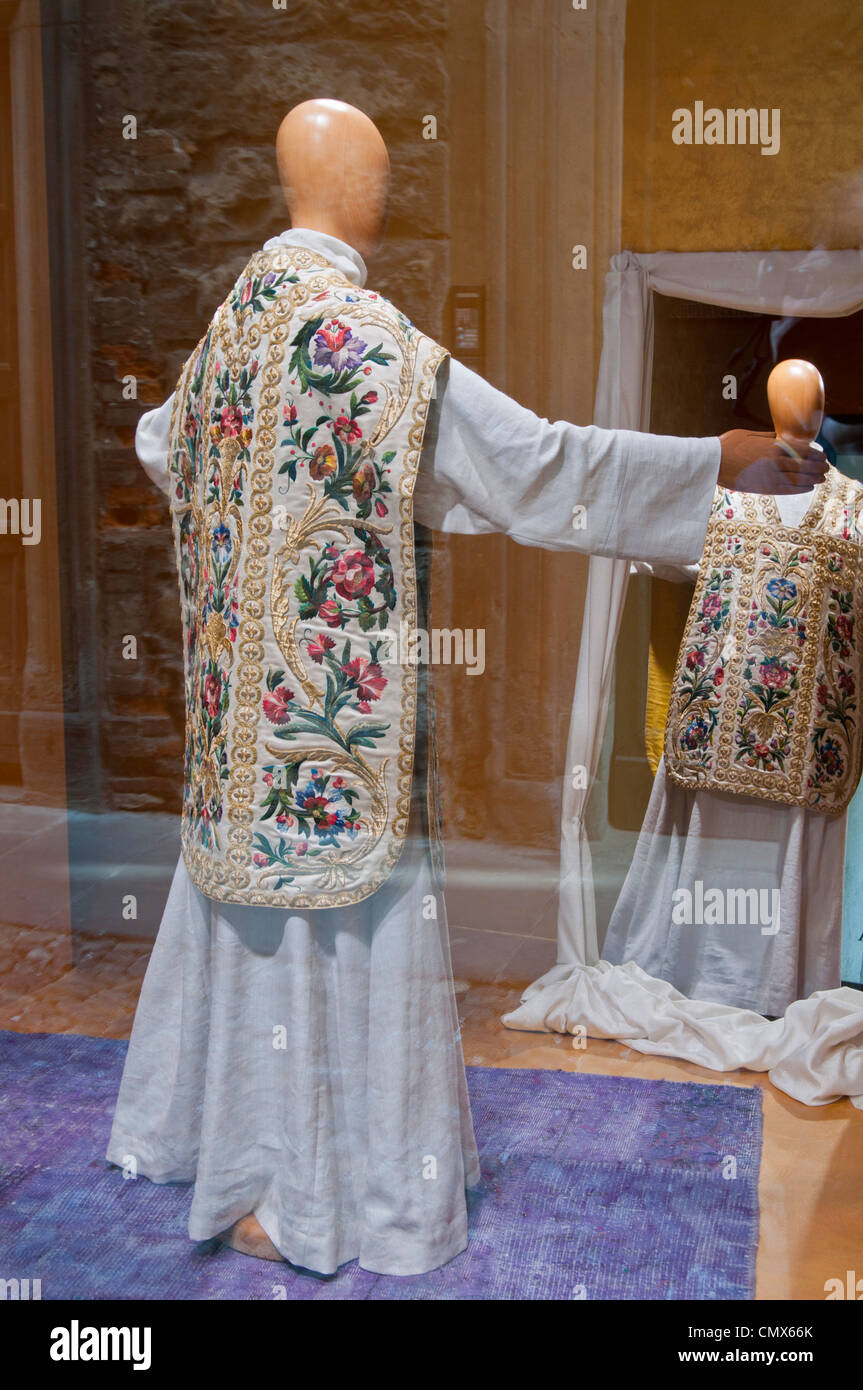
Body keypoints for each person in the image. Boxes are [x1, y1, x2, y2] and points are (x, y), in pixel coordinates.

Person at [106, 99, 825, 1277]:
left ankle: (244, 1158)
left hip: (238, 746)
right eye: (383, 180)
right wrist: (714, 471)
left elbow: (156, 444)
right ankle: (356, 1199)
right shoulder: (358, 339)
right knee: (348, 955)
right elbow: (535, 470)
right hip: (340, 751)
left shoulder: (227, 331)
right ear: (363, 191)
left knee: (261, 960)